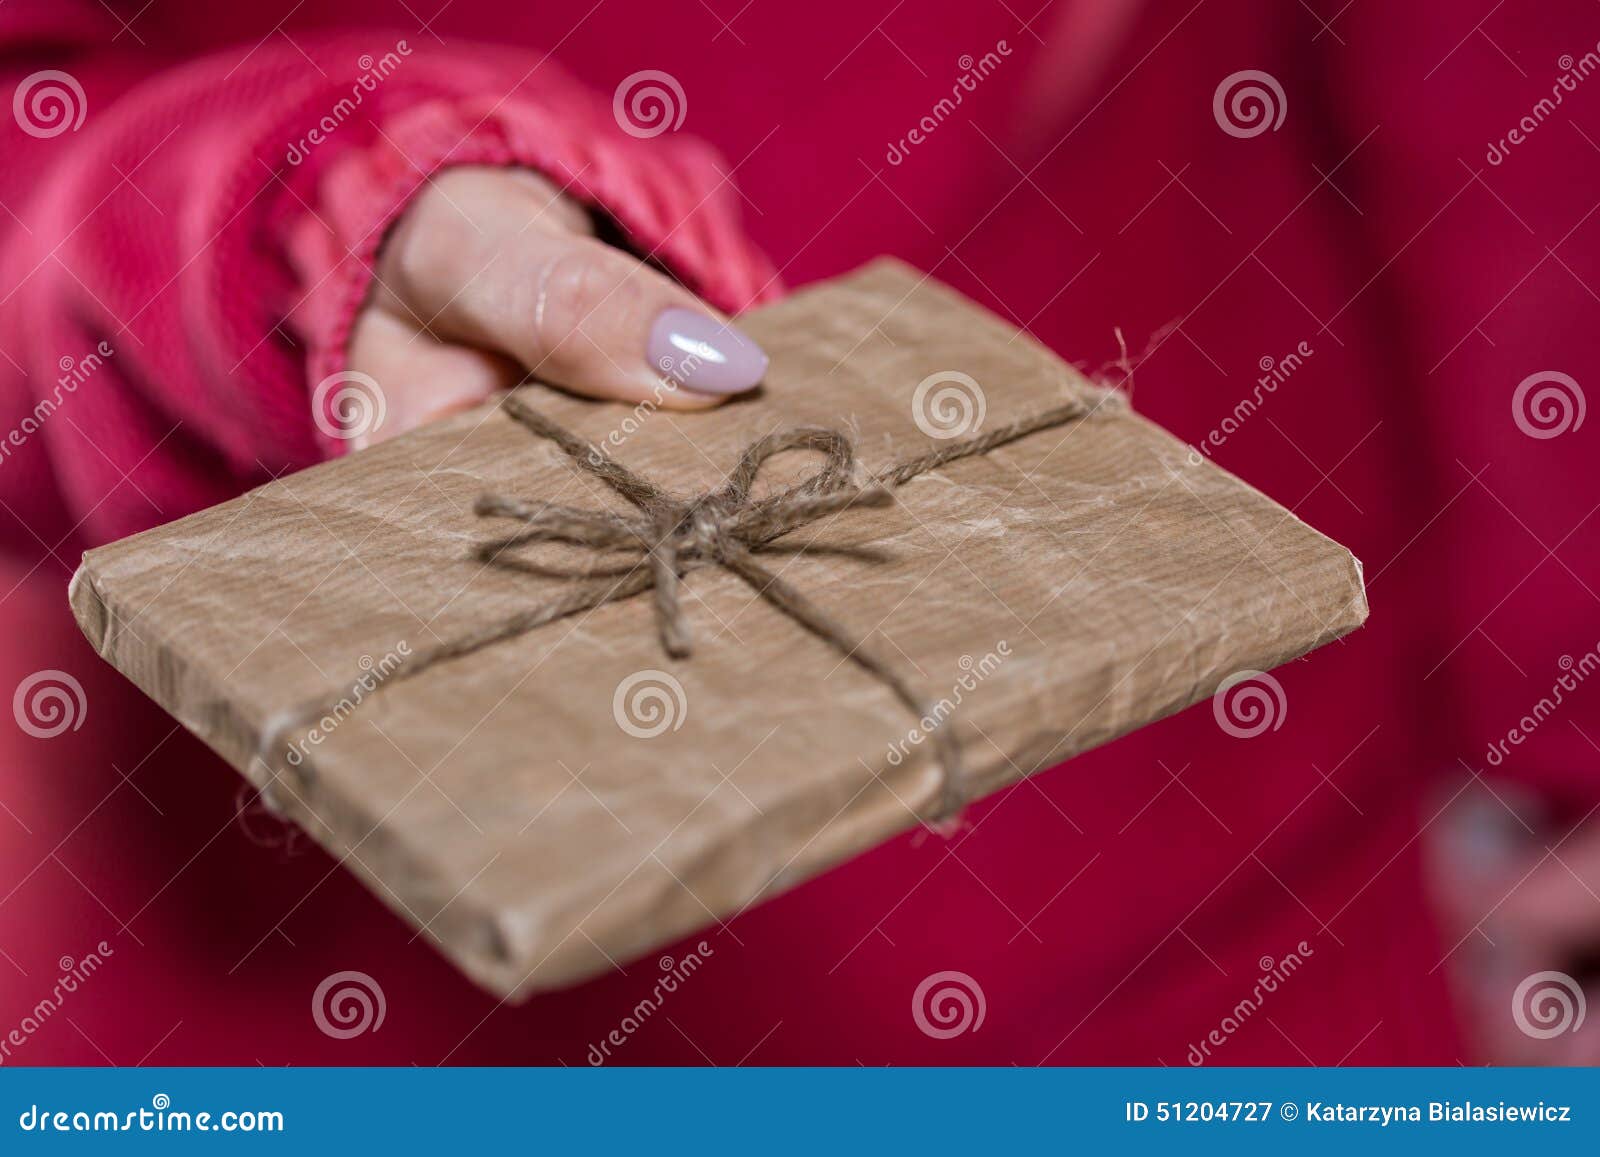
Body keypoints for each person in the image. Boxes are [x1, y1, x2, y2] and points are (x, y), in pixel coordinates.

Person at [1, 0, 1596, 1064]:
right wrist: (301, 213)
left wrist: (1564, 687)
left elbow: (1496, 73)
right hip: (325, 974)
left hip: (1200, 840)